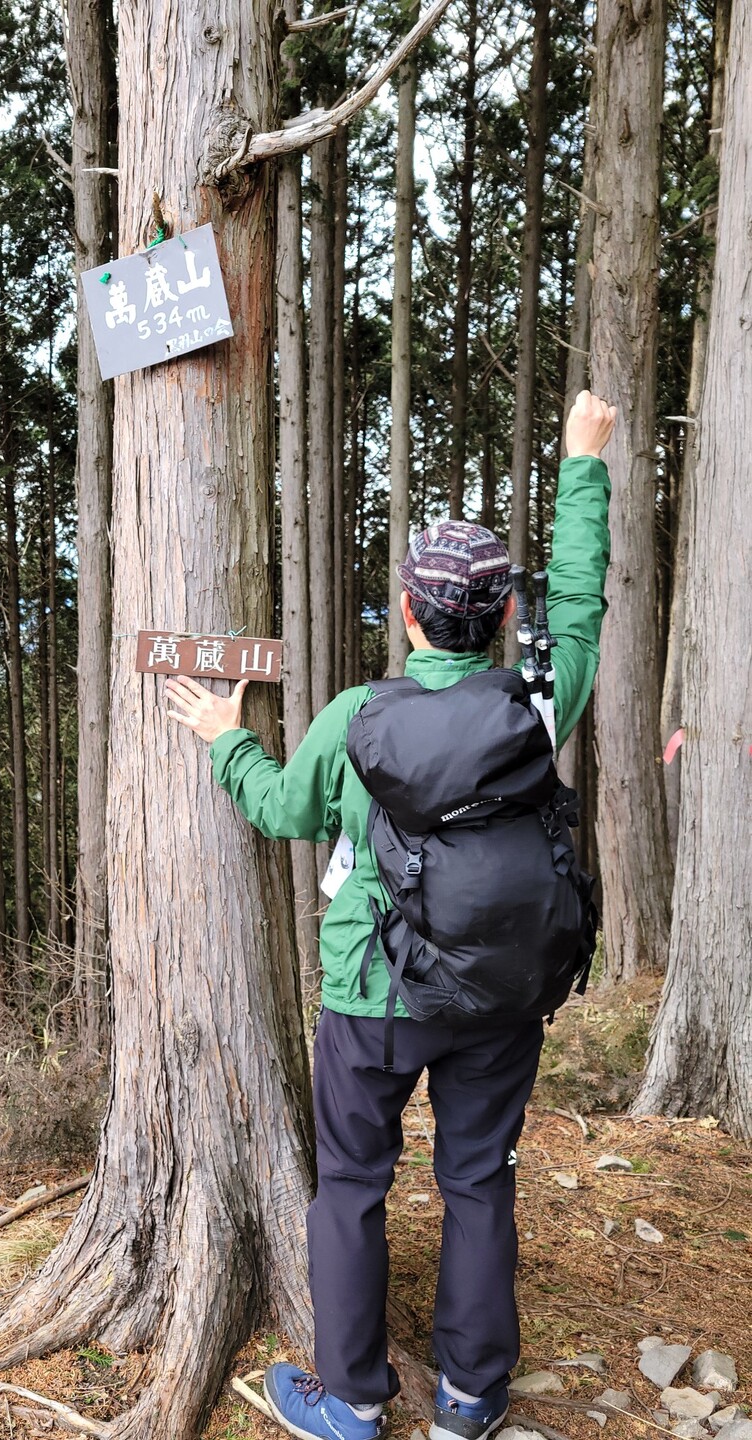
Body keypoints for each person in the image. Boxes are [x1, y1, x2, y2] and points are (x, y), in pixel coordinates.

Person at [164, 391, 618, 1440]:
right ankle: (469, 1400)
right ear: (505, 619)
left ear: (410, 617)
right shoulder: (540, 700)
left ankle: (356, 1400)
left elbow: (281, 810)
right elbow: (585, 600)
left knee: (353, 1185)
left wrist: (226, 736)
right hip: (501, 991)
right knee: (476, 1179)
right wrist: (581, 464)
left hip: (372, 989)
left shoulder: (357, 719)